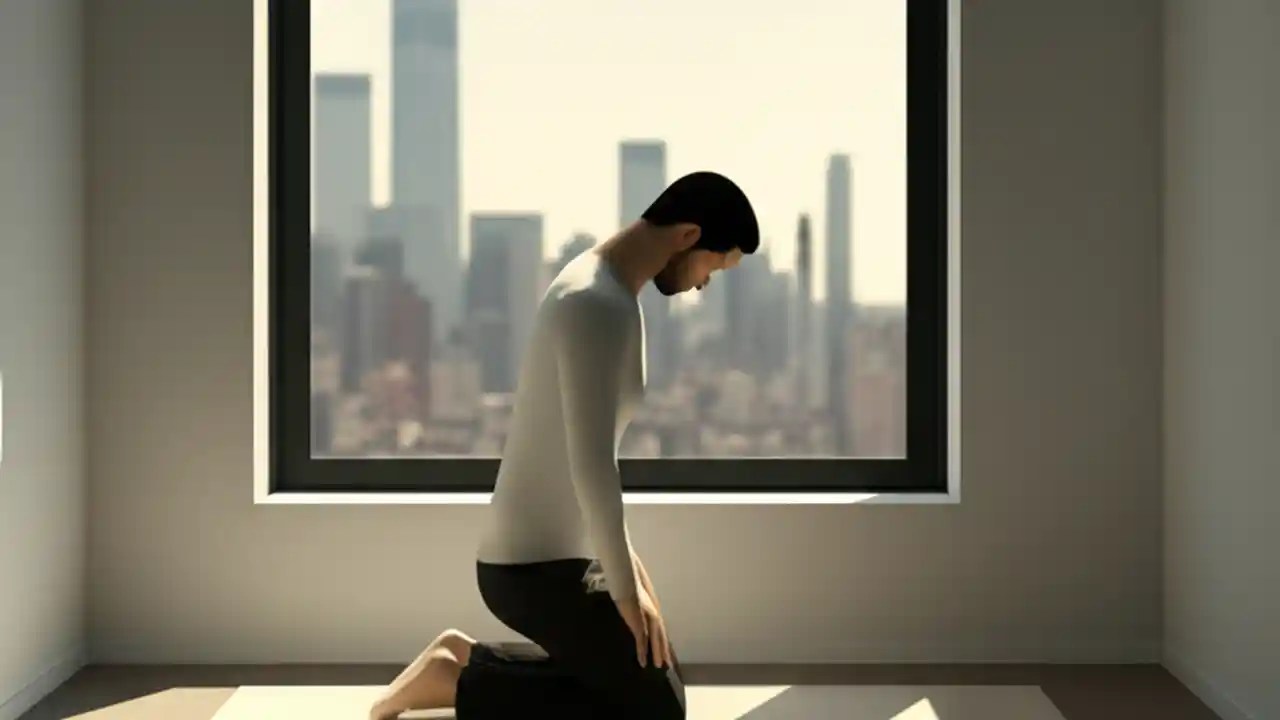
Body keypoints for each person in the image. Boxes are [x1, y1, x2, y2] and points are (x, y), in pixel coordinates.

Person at [369, 171, 759, 720]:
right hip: (528, 567)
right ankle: (456, 680)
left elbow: (589, 462)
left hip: (570, 556)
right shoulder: (594, 303)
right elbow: (592, 466)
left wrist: (636, 579)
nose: (703, 285)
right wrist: (625, 592)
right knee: (656, 711)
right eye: (713, 268)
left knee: (658, 685)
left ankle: (467, 660)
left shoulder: (614, 294)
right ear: (690, 235)